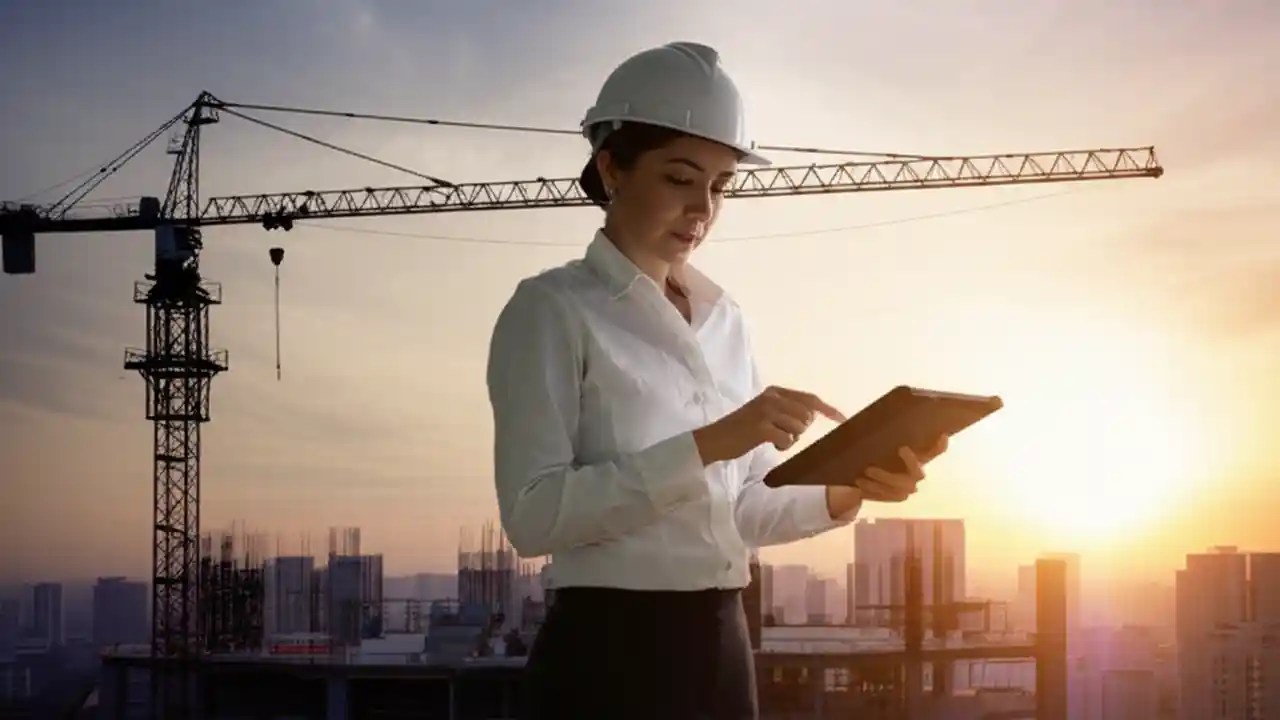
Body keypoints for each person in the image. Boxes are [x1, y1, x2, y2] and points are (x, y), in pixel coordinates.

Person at [485, 41, 948, 720]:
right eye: (679, 177)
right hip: (607, 657)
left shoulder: (725, 321)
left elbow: (743, 512)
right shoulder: (551, 310)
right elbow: (533, 516)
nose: (703, 208)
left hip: (724, 646)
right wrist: (710, 442)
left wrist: (851, 485)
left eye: (721, 185)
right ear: (612, 168)